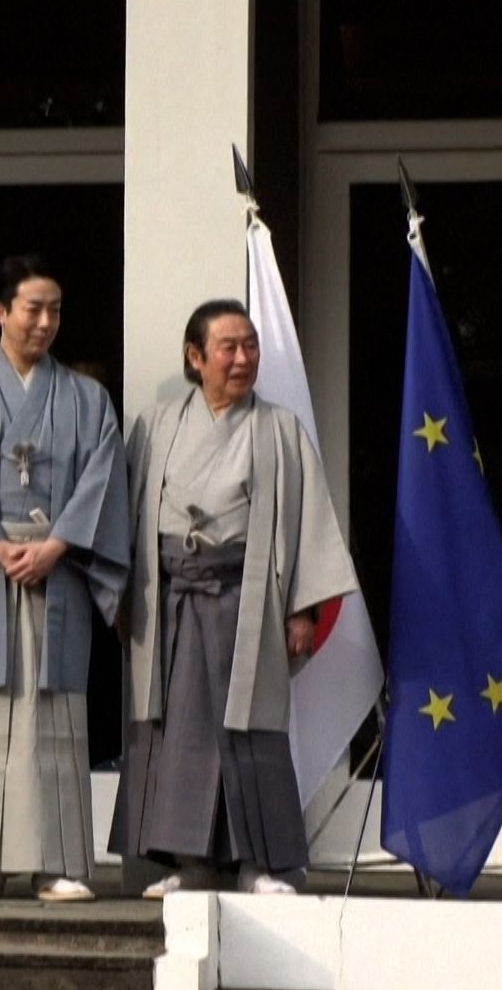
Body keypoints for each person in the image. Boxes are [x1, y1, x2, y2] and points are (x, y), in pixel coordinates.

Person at [110, 300, 358, 897]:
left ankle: (259, 864)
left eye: (250, 345)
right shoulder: (156, 425)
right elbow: (125, 514)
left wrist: (302, 607)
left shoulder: (279, 428)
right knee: (175, 733)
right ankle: (187, 863)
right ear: (195, 358)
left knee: (249, 730)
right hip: (171, 599)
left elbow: (309, 524)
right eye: (228, 347)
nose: (243, 358)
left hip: (246, 600)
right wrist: (122, 594)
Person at [0, 256, 130, 902]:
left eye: (55, 310)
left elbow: (103, 480)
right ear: (1, 312)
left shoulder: (87, 399)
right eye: (33, 308)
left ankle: (58, 863)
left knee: (55, 716)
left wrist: (58, 545)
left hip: (58, 572)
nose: (45, 322)